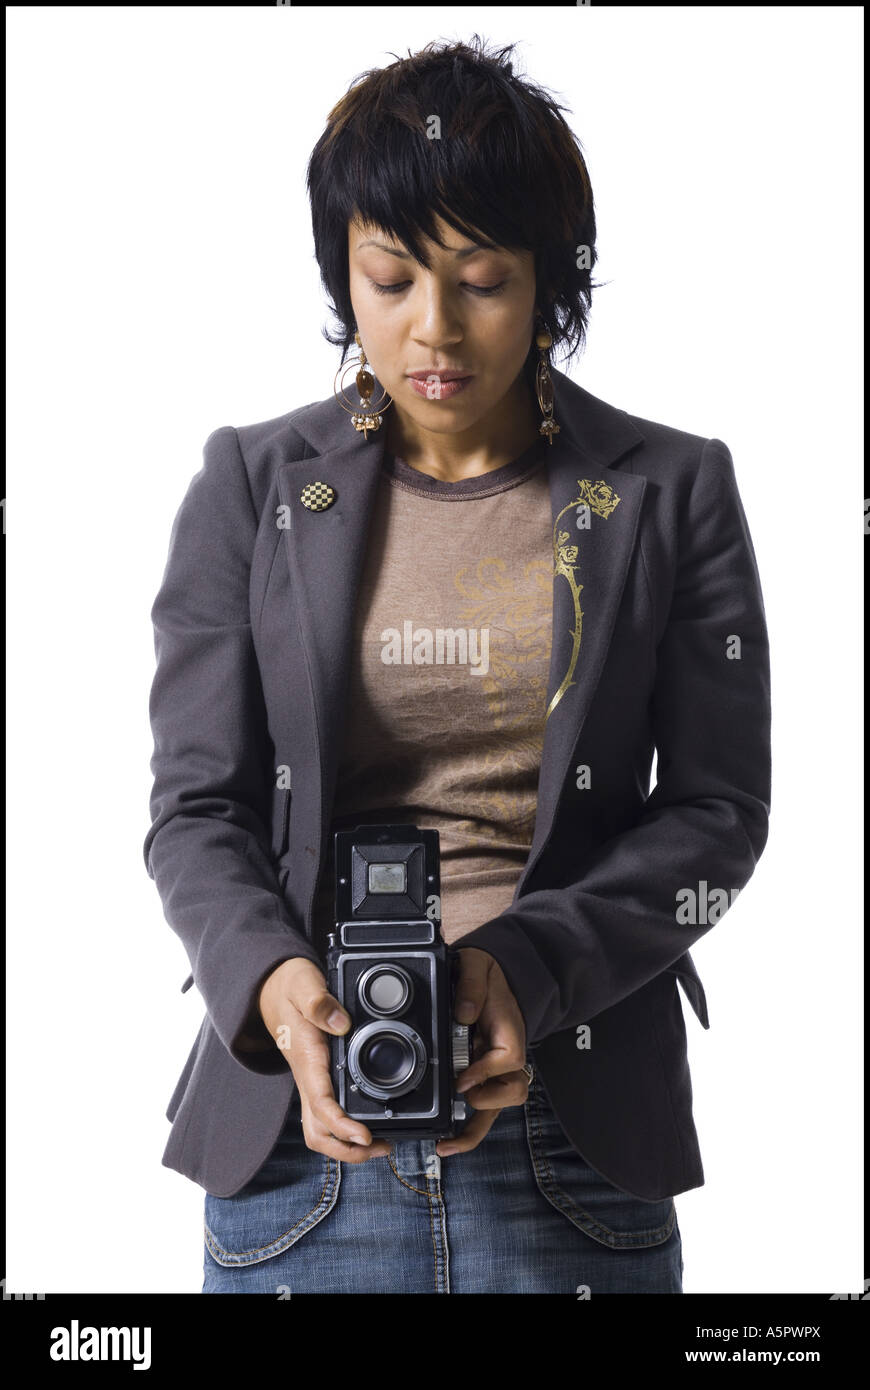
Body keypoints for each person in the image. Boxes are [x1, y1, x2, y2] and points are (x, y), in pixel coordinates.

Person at [144, 35, 771, 1295]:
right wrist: (275, 992)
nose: (433, 330)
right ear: (346, 279)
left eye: (482, 279)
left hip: (573, 1132)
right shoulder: (251, 486)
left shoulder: (670, 489)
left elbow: (719, 812)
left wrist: (527, 973)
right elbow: (195, 810)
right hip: (300, 1140)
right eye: (389, 278)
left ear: (551, 284)